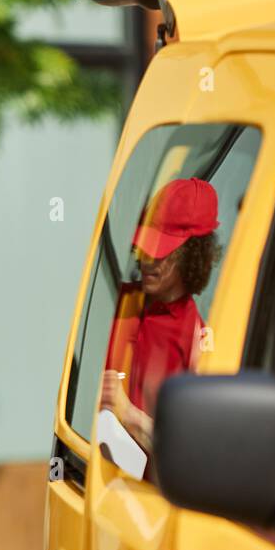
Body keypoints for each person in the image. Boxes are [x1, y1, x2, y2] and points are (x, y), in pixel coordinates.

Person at [100, 177, 222, 457]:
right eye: (145, 246)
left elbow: (192, 456)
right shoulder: (115, 301)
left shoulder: (197, 344)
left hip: (141, 497)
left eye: (162, 250)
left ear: (193, 255)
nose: (147, 259)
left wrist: (128, 414)